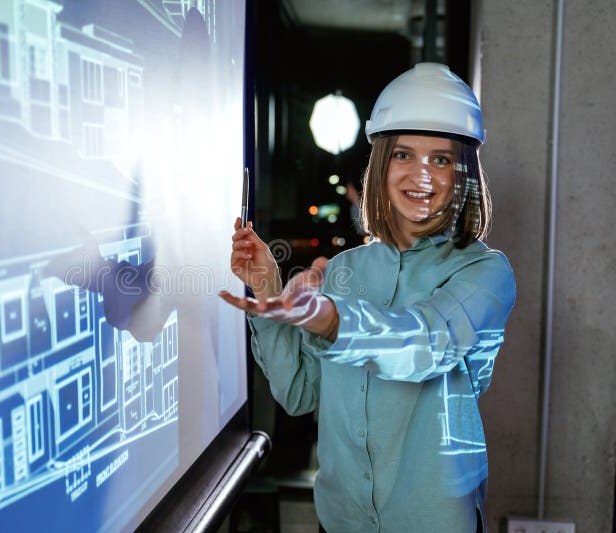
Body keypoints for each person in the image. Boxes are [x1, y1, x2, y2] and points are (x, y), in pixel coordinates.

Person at [219, 63, 516, 532]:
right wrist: (269, 289)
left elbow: (427, 344)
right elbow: (299, 394)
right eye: (403, 154)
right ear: (381, 165)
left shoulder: (485, 272)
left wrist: (332, 319)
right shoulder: (344, 271)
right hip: (341, 521)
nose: (422, 174)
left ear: (464, 174)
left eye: (441, 159)